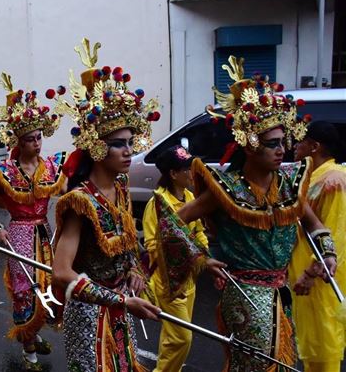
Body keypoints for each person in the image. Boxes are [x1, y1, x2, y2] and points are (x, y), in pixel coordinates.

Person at [175, 56, 336, 371]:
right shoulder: (227, 189)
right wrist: (201, 258)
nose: (281, 150)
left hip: (279, 291)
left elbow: (316, 226)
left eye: (283, 142)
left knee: (277, 361)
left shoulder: (289, 187)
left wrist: (327, 255)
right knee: (256, 364)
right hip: (244, 294)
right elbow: (174, 222)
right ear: (249, 146)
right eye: (272, 143)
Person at [49, 43, 176, 372]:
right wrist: (121, 300)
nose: (128, 151)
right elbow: (62, 272)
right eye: (118, 144)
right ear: (95, 145)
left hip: (121, 311)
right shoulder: (80, 201)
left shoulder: (120, 188)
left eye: (131, 143)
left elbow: (128, 239)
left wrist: (134, 269)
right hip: (90, 318)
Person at [0, 73, 64, 370]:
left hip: (43, 232)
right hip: (19, 235)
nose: (36, 143)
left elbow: (69, 193)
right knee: (25, 290)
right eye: (30, 139)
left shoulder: (51, 167)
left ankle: (33, 335)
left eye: (39, 137)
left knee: (48, 286)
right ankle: (28, 349)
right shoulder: (5, 171)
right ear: (19, 142)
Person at [142, 145, 209, 371]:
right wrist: (188, 252)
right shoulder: (158, 203)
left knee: (173, 338)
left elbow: (199, 230)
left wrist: (202, 252)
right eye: (187, 169)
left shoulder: (190, 196)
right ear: (173, 174)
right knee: (183, 338)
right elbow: (151, 243)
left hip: (189, 279)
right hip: (168, 281)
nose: (193, 173)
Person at [289, 120, 346, 372]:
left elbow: (336, 233)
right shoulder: (311, 177)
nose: (294, 147)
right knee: (312, 344)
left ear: (314, 146)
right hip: (305, 272)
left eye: (299, 142)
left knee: (324, 345)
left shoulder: (334, 180)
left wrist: (313, 272)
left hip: (324, 278)